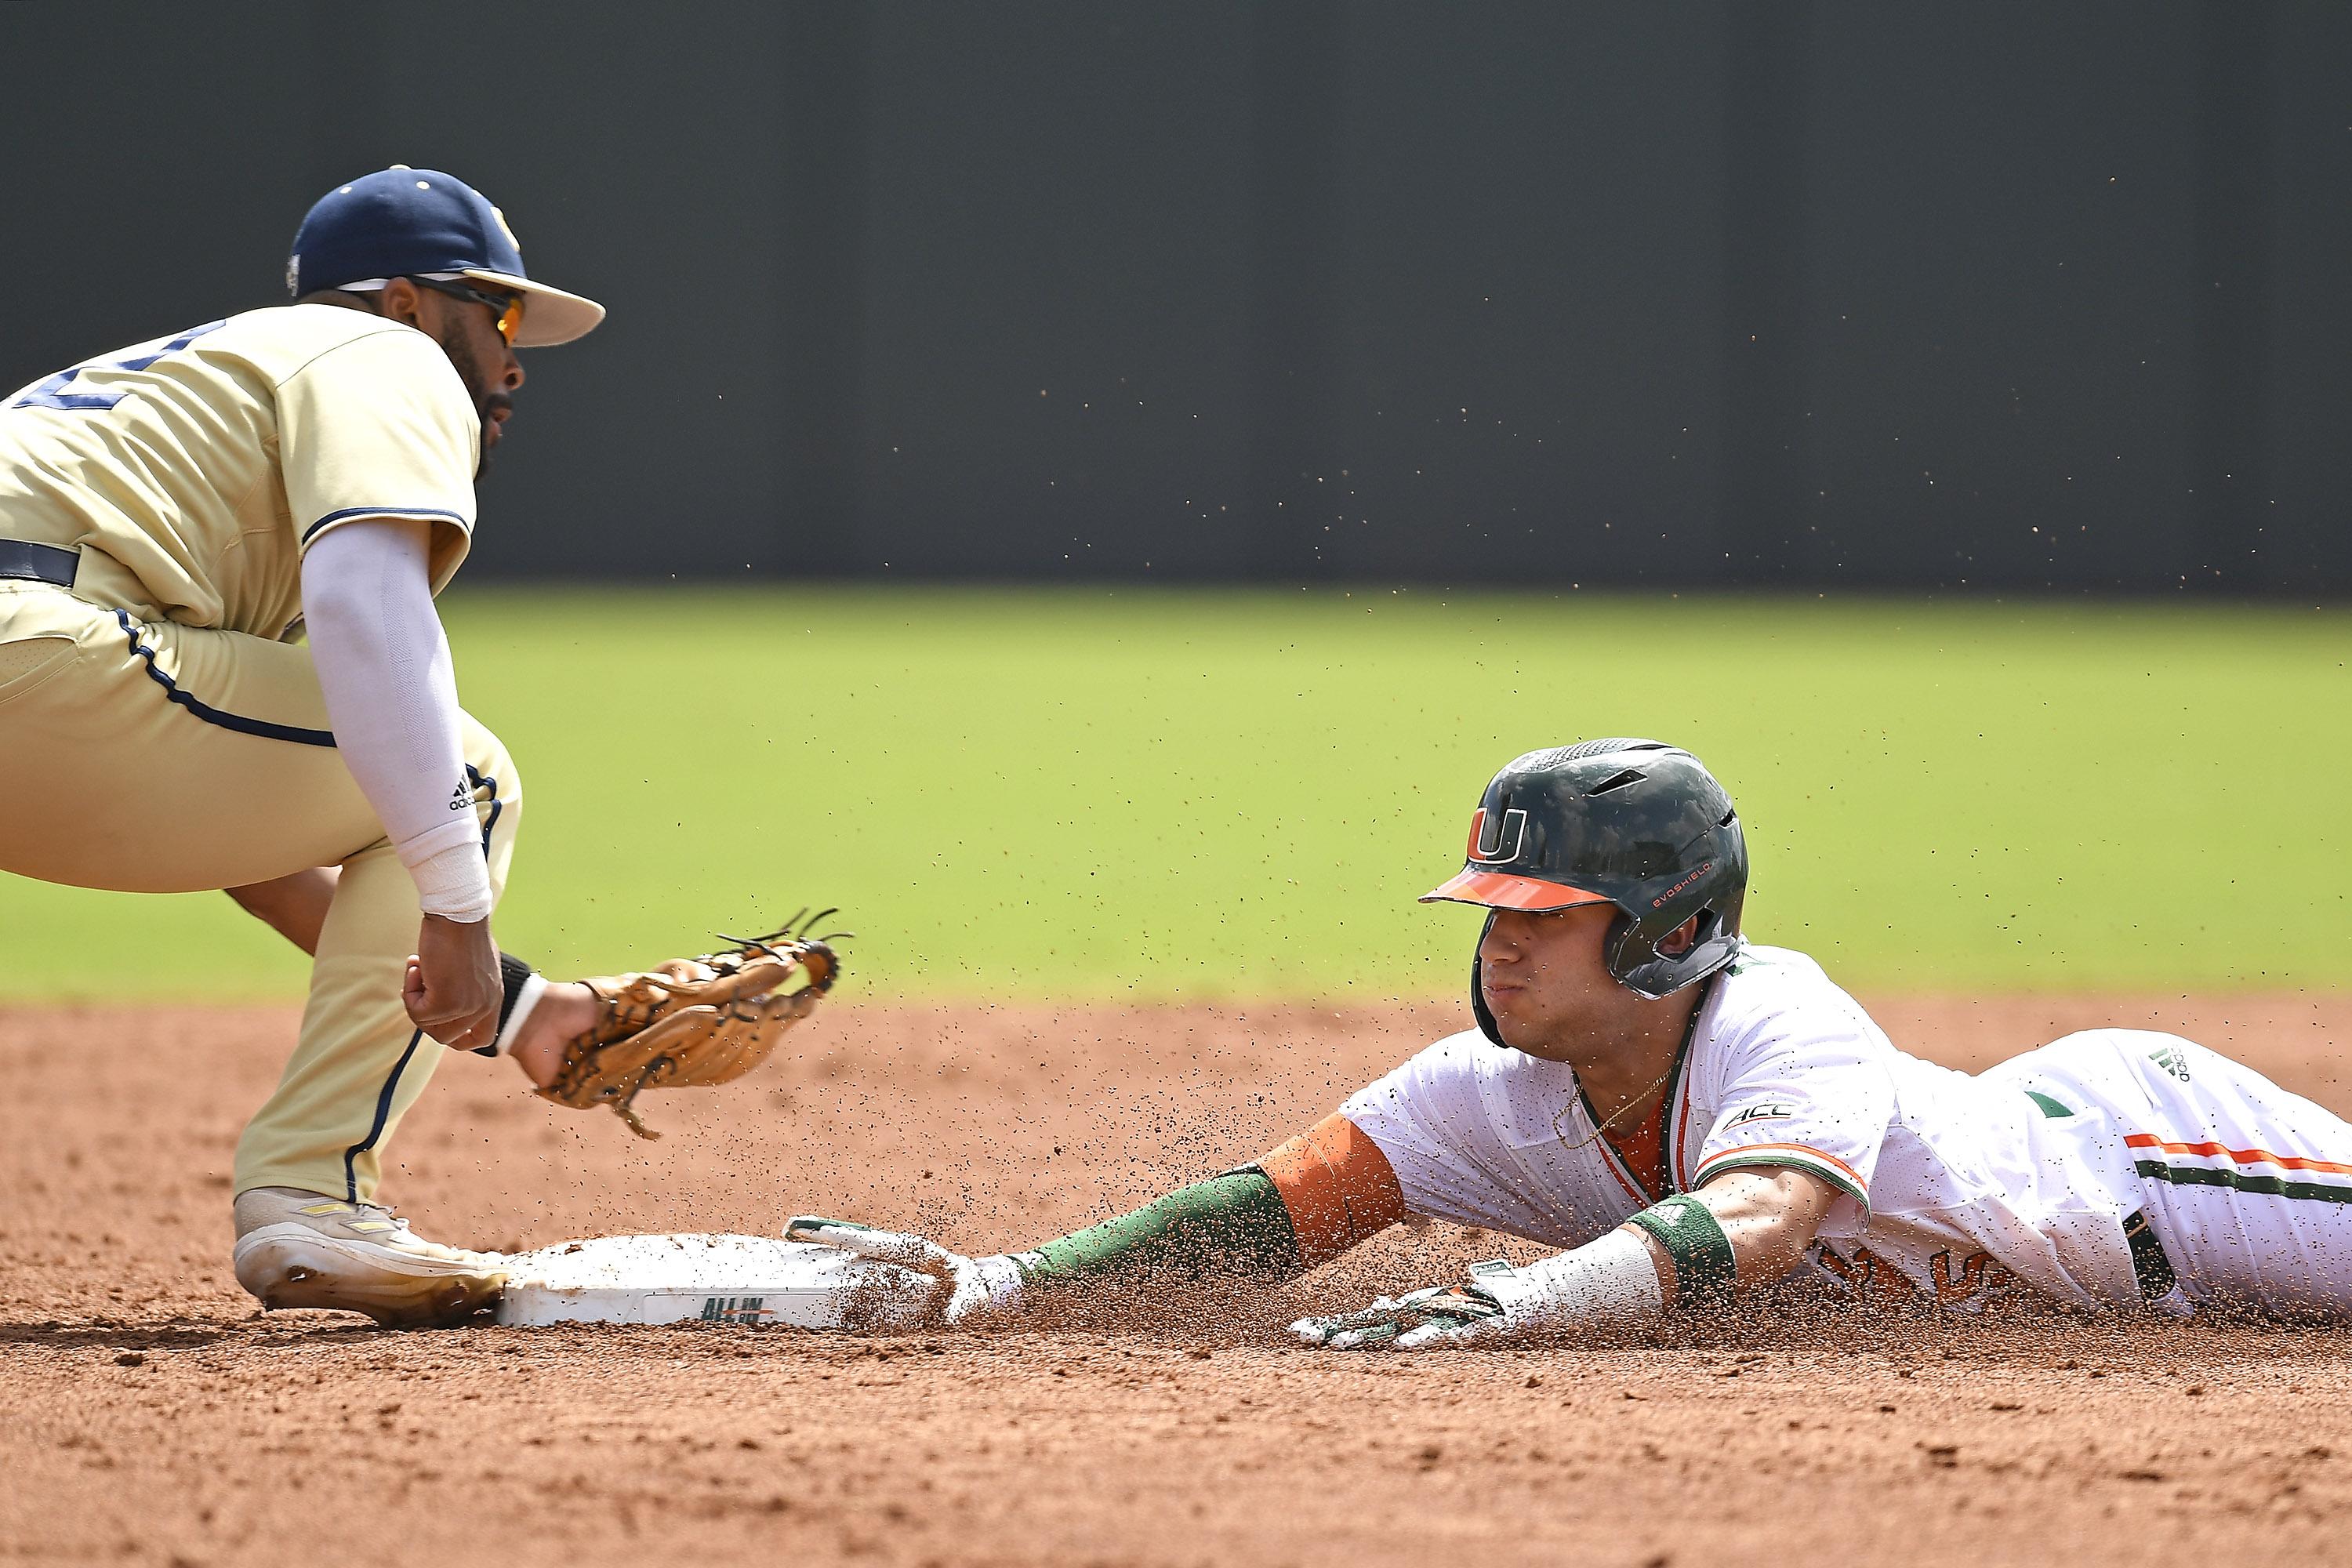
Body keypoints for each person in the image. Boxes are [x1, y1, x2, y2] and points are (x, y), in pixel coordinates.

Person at [0, 167, 826, 1328]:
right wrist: (456, 894)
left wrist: (522, 1009)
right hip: (34, 648)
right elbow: (367, 615)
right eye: (490, 315)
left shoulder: (204, 401)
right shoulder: (378, 359)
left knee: (410, 785)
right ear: (399, 301)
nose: (511, 358)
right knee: (461, 780)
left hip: (48, 663)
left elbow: (249, 834)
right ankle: (314, 1192)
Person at [788, 739, 2352, 1340]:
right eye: (1490, 903)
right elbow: (1275, 1209)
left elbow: (1765, 1213)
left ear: (1670, 930)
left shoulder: (1781, 1022)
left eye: (1544, 908)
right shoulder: (1495, 1092)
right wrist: (994, 1286)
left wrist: (1521, 1305)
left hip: (2153, 1164)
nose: (1500, 936)